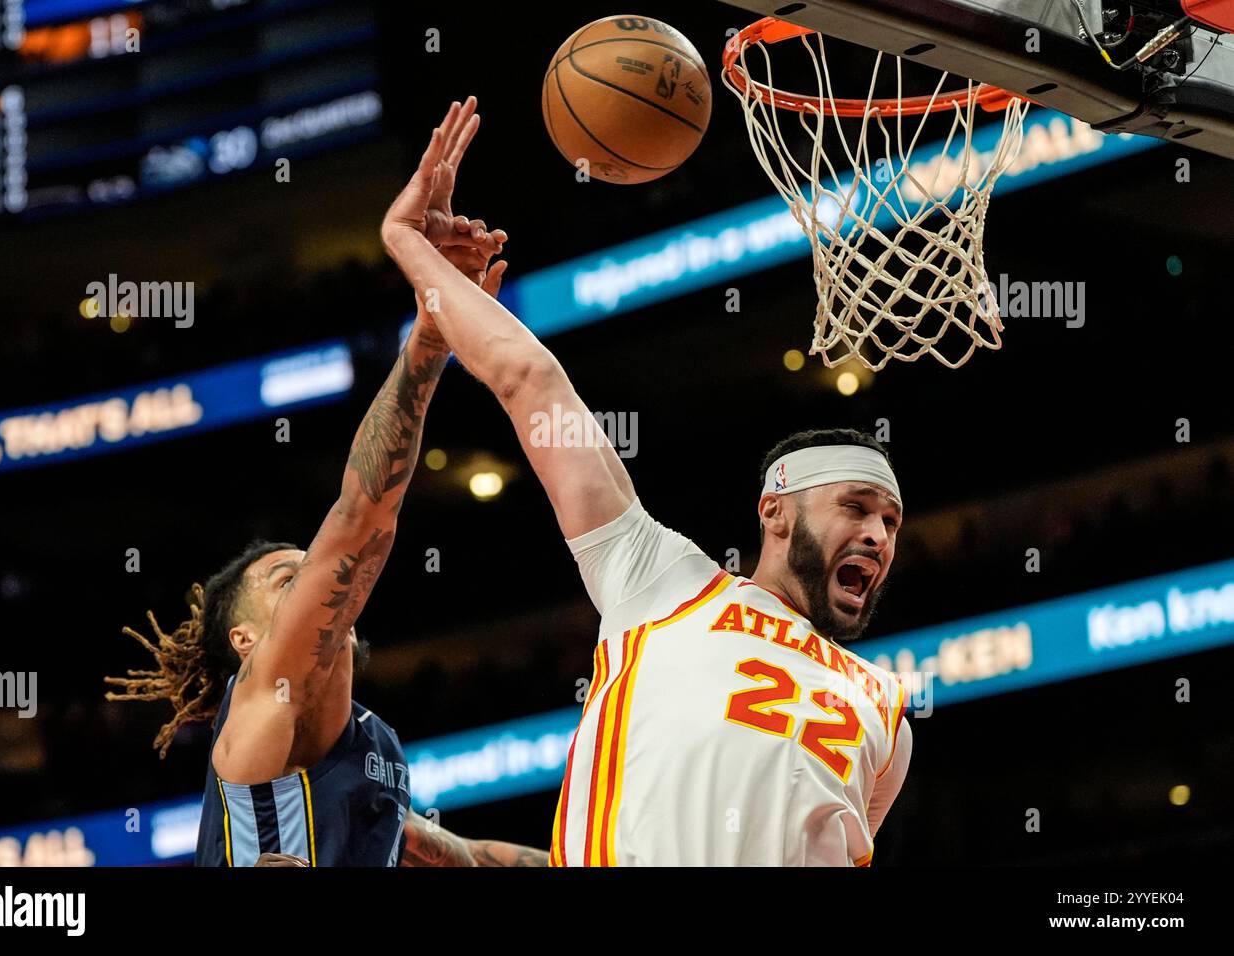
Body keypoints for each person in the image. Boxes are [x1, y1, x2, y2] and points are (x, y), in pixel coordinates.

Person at [378, 96, 912, 866]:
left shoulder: (889, 711)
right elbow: (533, 382)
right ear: (776, 512)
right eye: (858, 507)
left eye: (891, 523)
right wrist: (408, 247)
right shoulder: (664, 578)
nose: (878, 534)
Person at [106, 103, 542, 866]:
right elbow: (361, 514)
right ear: (246, 642)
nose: (311, 575)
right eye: (287, 579)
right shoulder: (261, 696)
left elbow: (467, 858)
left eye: (303, 566)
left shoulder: (371, 748)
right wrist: (430, 340)